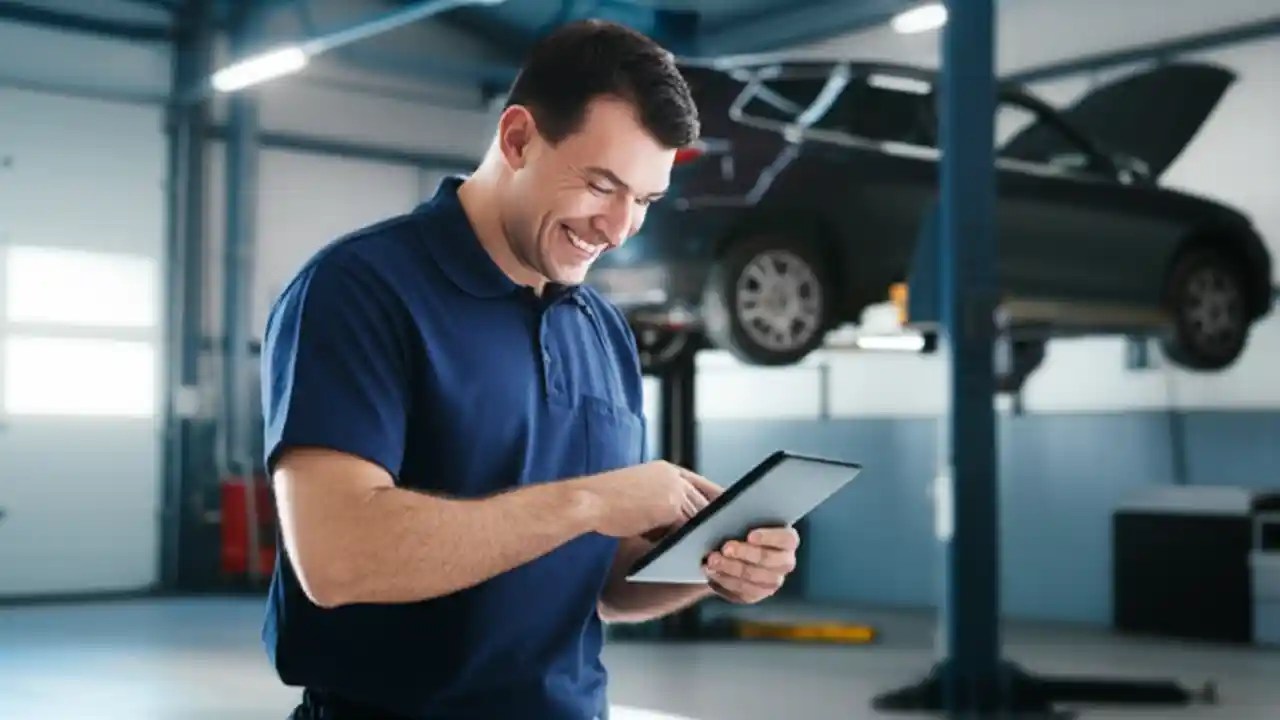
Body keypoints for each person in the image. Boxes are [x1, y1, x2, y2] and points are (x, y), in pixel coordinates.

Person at [260, 19, 800, 720]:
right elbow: (336, 560)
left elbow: (600, 582)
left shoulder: (603, 332)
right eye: (602, 184)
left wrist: (713, 564)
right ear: (517, 139)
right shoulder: (359, 290)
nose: (618, 227)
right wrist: (592, 500)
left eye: (644, 200)